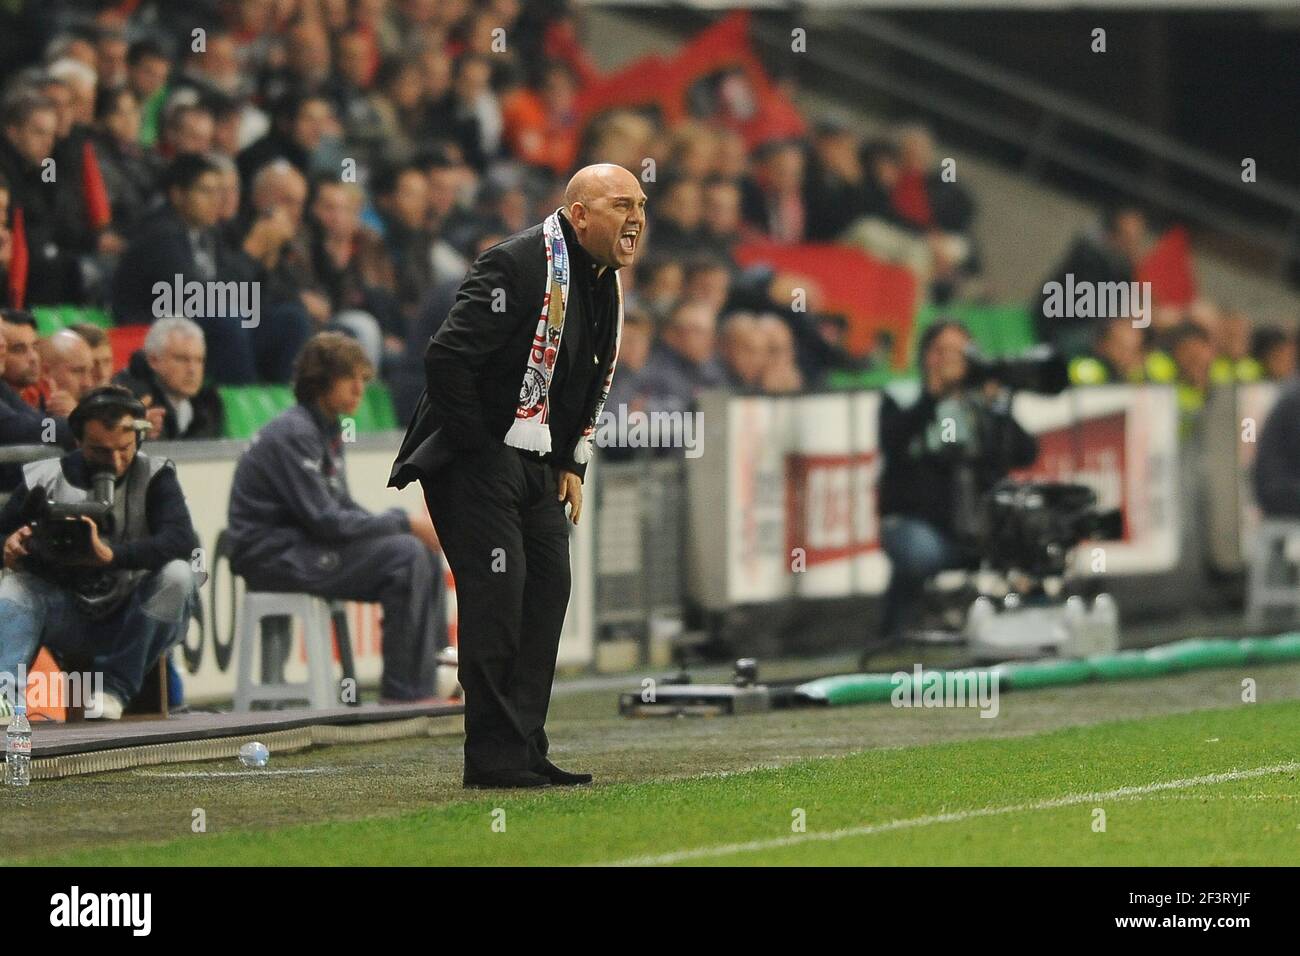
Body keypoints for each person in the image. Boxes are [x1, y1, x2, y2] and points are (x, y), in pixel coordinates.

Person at [390, 163, 644, 789]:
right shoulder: (516, 264)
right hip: (475, 462)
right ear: (579, 215)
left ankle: (523, 746)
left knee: (546, 592)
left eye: (641, 205)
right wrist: (483, 450)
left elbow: (582, 378)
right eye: (621, 205)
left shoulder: (602, 280)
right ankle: (492, 758)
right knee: (498, 600)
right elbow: (446, 358)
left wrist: (572, 462)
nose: (636, 217)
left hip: (540, 463)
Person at [226, 332, 444, 703]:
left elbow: (341, 506)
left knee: (419, 551)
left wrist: (402, 528)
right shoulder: (295, 433)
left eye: (363, 378)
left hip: (299, 544)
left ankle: (429, 678)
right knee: (406, 556)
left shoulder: (325, 429)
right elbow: (326, 521)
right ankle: (403, 694)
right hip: (269, 554)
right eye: (350, 378)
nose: (360, 388)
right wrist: (404, 522)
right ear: (320, 381)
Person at [0, 385, 200, 719]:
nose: (116, 461)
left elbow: (181, 541)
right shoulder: (44, 477)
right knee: (13, 588)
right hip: (67, 612)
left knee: (178, 576)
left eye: (124, 449)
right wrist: (8, 546)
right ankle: (5, 695)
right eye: (100, 451)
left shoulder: (157, 475)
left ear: (139, 438)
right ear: (78, 441)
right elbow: (3, 531)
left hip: (134, 613)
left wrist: (112, 555)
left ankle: (113, 688)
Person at [870, 320, 1038, 664]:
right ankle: (900, 627)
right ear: (926, 356)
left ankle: (1029, 626)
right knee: (919, 553)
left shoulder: (980, 403)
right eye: (942, 352)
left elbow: (1025, 453)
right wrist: (931, 398)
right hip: (920, 521)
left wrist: (998, 409)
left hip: (978, 522)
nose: (952, 361)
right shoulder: (902, 397)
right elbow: (893, 443)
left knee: (1032, 535)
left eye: (961, 353)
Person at [112, 316, 223, 439]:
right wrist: (134, 435)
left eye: (199, 360)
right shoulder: (127, 399)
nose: (192, 370)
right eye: (181, 359)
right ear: (153, 360)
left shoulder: (208, 403)